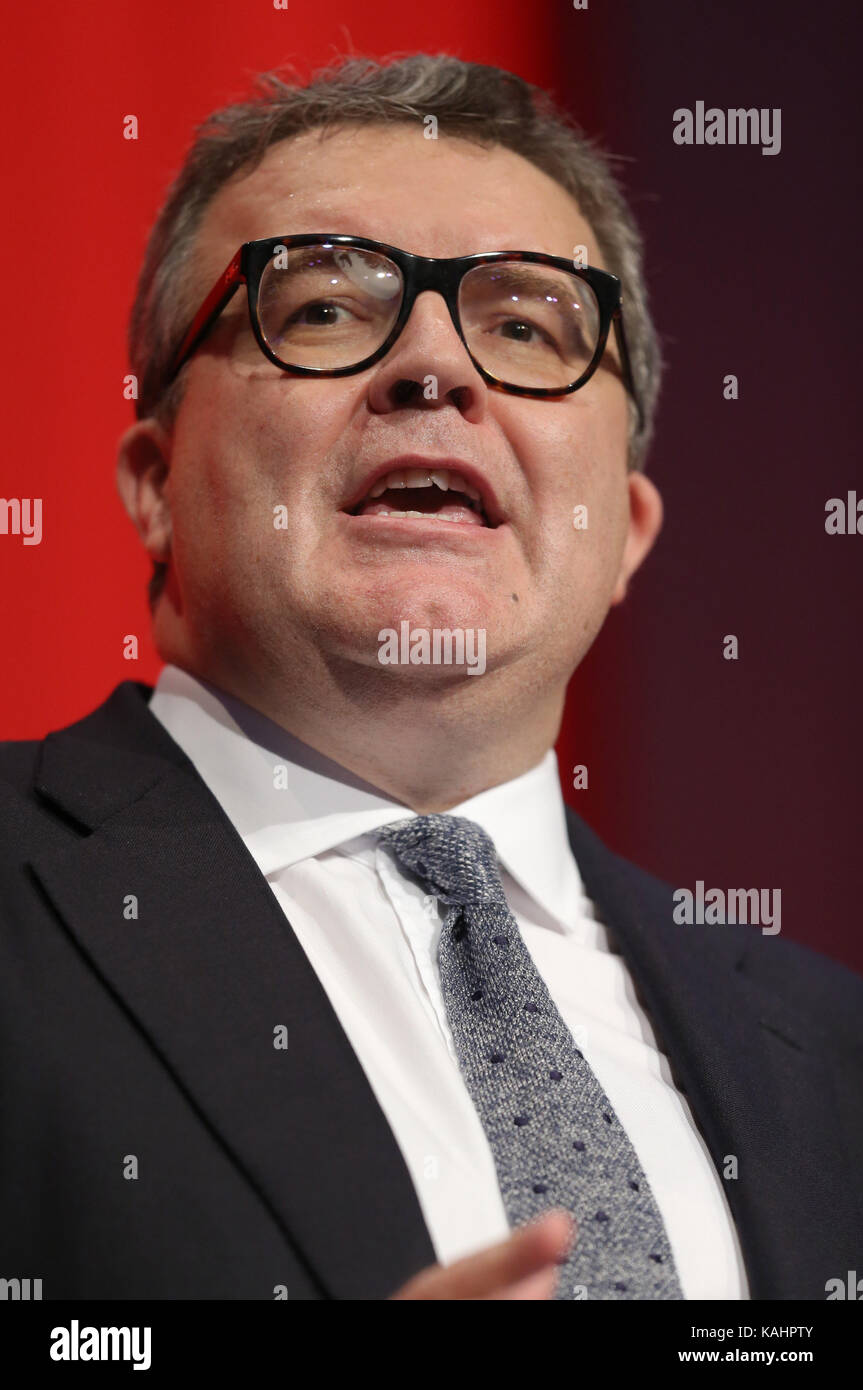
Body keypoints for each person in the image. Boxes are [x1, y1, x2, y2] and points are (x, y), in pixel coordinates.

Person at [1, 53, 860, 1302]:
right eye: (325, 311)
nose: (434, 367)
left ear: (621, 531)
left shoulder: (829, 1054)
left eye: (524, 326)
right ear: (155, 480)